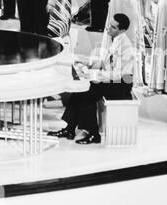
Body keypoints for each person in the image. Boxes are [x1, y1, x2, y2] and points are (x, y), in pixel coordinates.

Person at [55, 14, 137, 144]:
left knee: (89, 91)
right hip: (112, 78)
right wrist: (86, 62)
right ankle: (69, 129)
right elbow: (104, 62)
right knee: (81, 89)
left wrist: (96, 76)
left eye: (113, 27)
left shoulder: (126, 47)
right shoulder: (114, 39)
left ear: (122, 30)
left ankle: (93, 133)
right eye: (110, 25)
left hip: (121, 84)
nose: (109, 28)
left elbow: (118, 75)